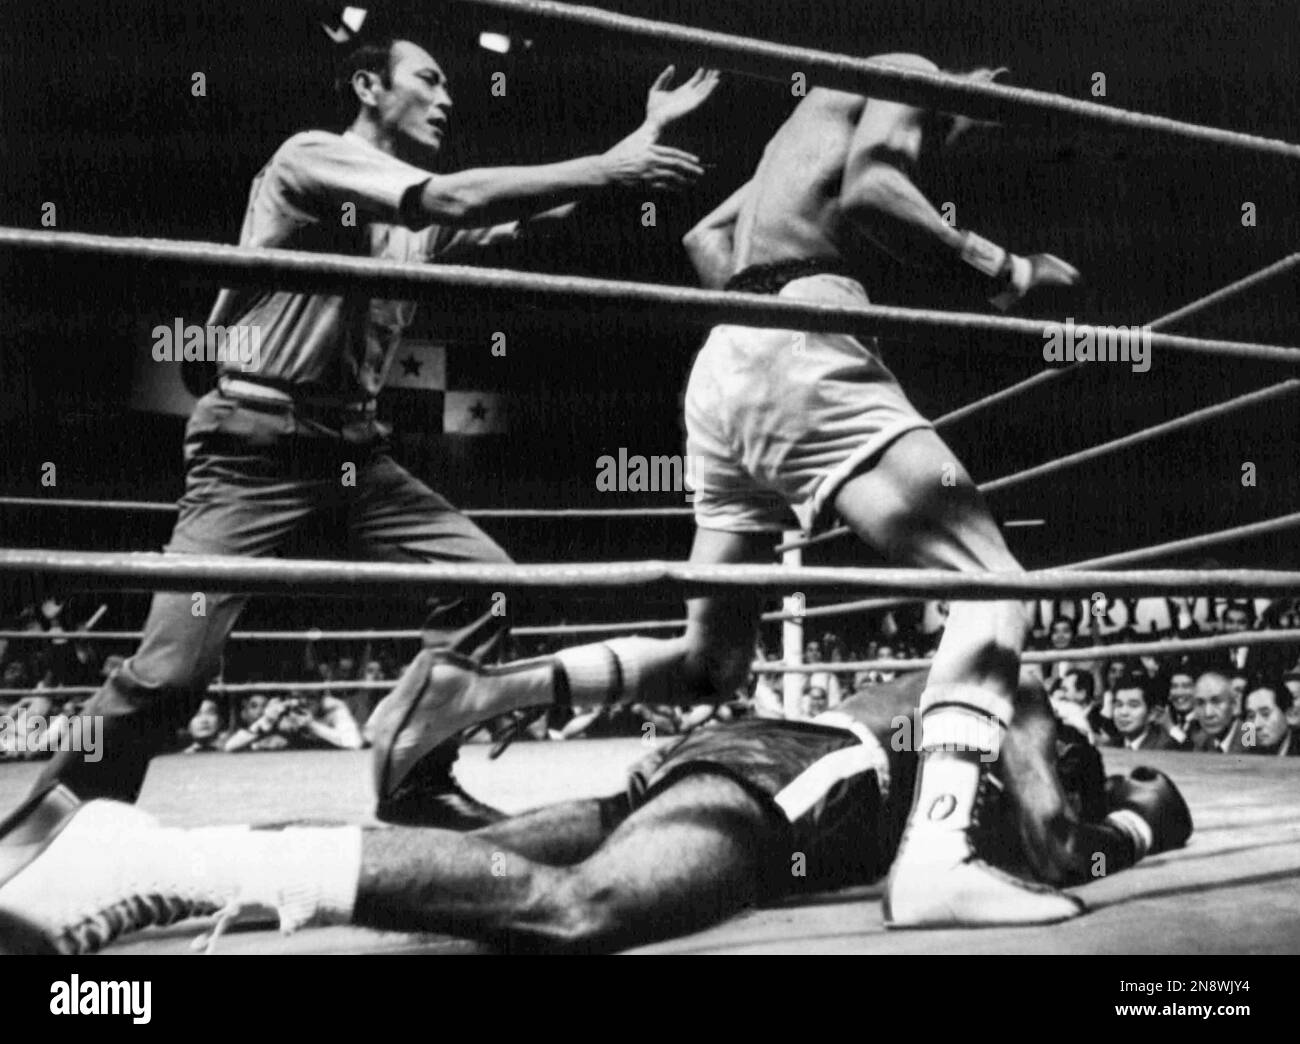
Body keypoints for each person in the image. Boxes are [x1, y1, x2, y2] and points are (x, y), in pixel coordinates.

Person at [366, 54, 1085, 928]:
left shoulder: (802, 127)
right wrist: (1006, 271)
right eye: (989, 123)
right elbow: (873, 191)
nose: (967, 142)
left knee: (713, 660)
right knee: (994, 583)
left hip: (727, 365)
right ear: (993, 78)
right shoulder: (912, 72)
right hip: (796, 342)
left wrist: (764, 340)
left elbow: (706, 239)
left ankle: (484, 693)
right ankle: (939, 859)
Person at [0, 31, 719, 852]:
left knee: (483, 583)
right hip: (256, 448)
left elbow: (516, 213)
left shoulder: (416, 211)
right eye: (430, 79)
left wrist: (637, 144)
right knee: (171, 671)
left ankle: (415, 777)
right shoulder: (312, 158)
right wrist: (610, 166)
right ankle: (48, 837)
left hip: (355, 454)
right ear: (370, 86)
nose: (450, 98)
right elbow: (454, 199)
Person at [0, 671, 1192, 955]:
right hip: (797, 778)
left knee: (464, 863)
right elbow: (1047, 846)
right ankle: (149, 853)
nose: (1129, 783)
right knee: (584, 913)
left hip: (746, 753)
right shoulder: (1030, 708)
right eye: (1139, 779)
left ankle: (135, 864)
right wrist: (1131, 834)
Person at [1107, 673, 1188, 752]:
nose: (1123, 712)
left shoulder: (1165, 748)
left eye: (1133, 706)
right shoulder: (1110, 745)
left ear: (1151, 714)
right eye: (1119, 705)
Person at [1190, 670, 1247, 754]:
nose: (1208, 713)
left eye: (1216, 702)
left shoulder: (1251, 738)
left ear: (1234, 705)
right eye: (1200, 703)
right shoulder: (1198, 741)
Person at [1242, 683, 1300, 756]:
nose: (1256, 725)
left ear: (1288, 714)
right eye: (1251, 716)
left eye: (1265, 714)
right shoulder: (1246, 753)